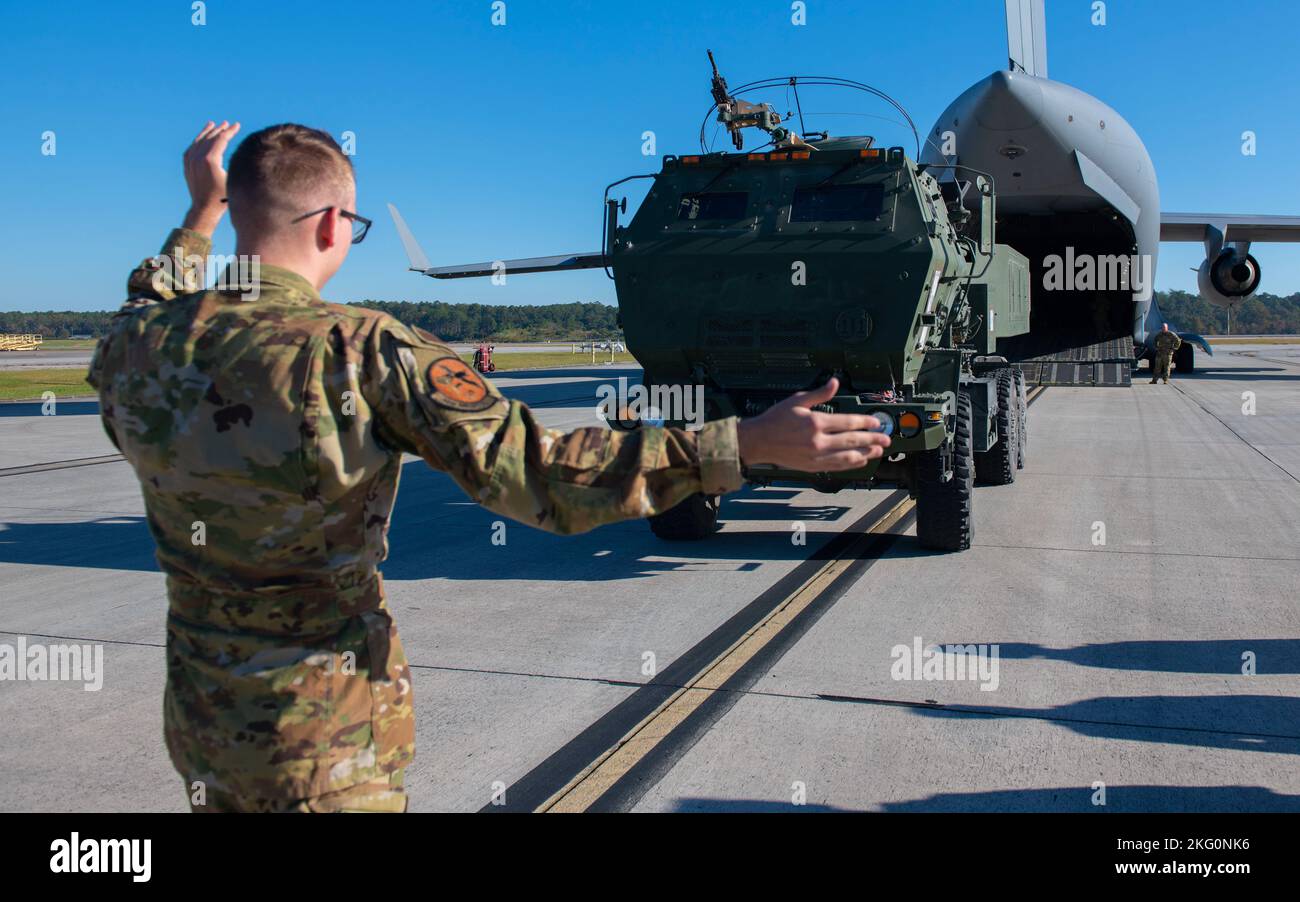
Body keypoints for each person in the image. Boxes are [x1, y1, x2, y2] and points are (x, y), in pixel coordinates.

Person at [87, 121, 892, 812]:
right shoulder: (362, 351)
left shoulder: (137, 351)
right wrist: (740, 445)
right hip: (324, 738)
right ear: (334, 223)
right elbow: (542, 477)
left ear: (239, 219)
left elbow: (148, 298)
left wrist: (199, 211)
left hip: (200, 722)